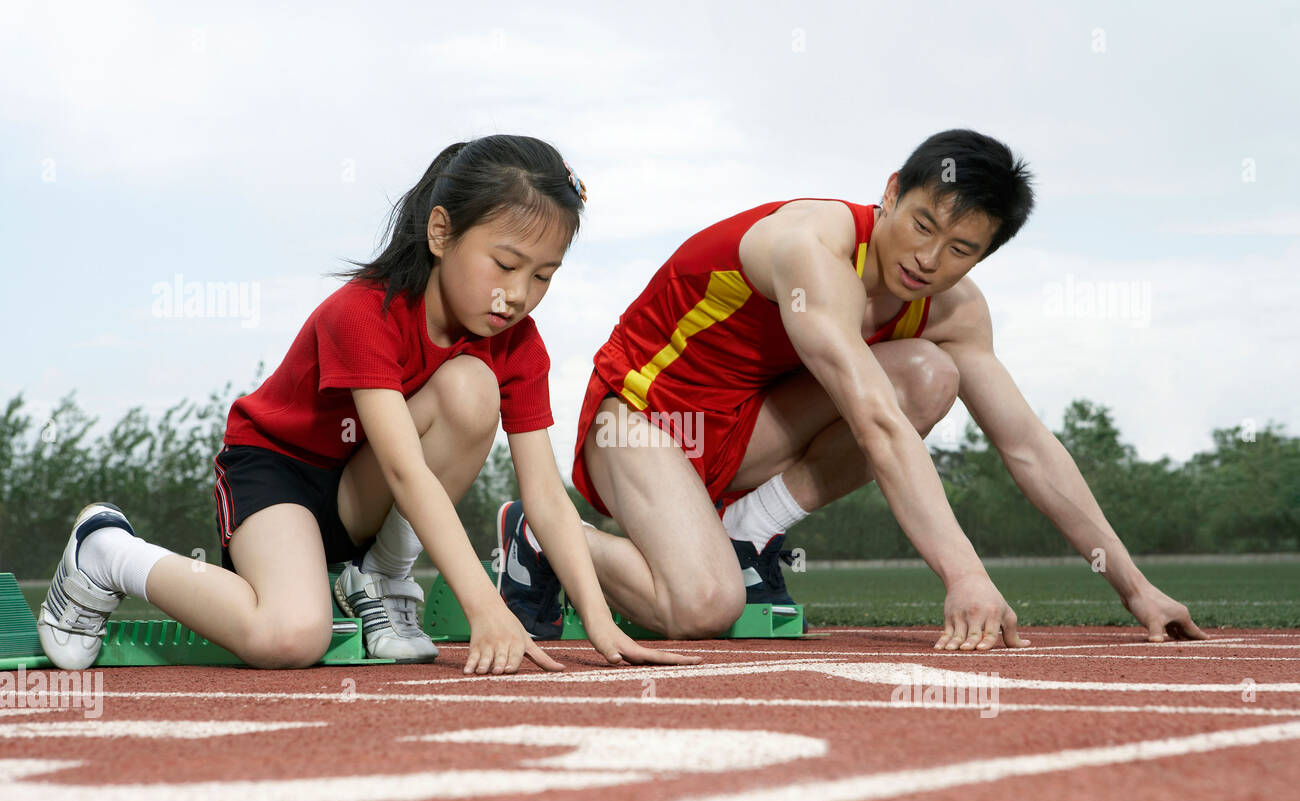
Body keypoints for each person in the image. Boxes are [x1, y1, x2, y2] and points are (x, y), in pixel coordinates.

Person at [500, 129, 1207, 650]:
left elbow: (1027, 446)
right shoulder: (813, 248)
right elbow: (872, 420)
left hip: (745, 434)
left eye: (961, 250)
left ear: (986, 255)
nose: (928, 259)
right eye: (923, 224)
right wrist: (963, 575)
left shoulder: (956, 311)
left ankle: (747, 531)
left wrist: (1136, 588)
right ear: (892, 191)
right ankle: (541, 534)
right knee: (702, 608)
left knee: (931, 374)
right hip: (645, 421)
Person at [36, 134, 700, 675]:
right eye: (505, 263)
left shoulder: (517, 347)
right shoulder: (362, 313)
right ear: (441, 233)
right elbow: (408, 471)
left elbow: (545, 497)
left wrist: (600, 618)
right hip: (277, 477)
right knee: (289, 638)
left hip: (363, 494)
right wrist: (482, 605)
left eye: (543, 276)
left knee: (470, 388)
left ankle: (380, 583)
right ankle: (105, 552)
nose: (519, 293)